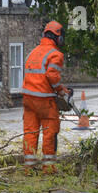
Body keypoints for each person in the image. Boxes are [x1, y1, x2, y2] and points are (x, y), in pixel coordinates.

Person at [21, 20, 73, 170]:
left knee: (30, 131)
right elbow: (51, 76)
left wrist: (59, 87)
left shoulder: (33, 52)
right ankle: (48, 168)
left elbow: (39, 76)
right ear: (59, 38)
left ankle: (29, 167)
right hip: (44, 99)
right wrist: (61, 91)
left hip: (28, 99)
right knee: (50, 131)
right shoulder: (55, 54)